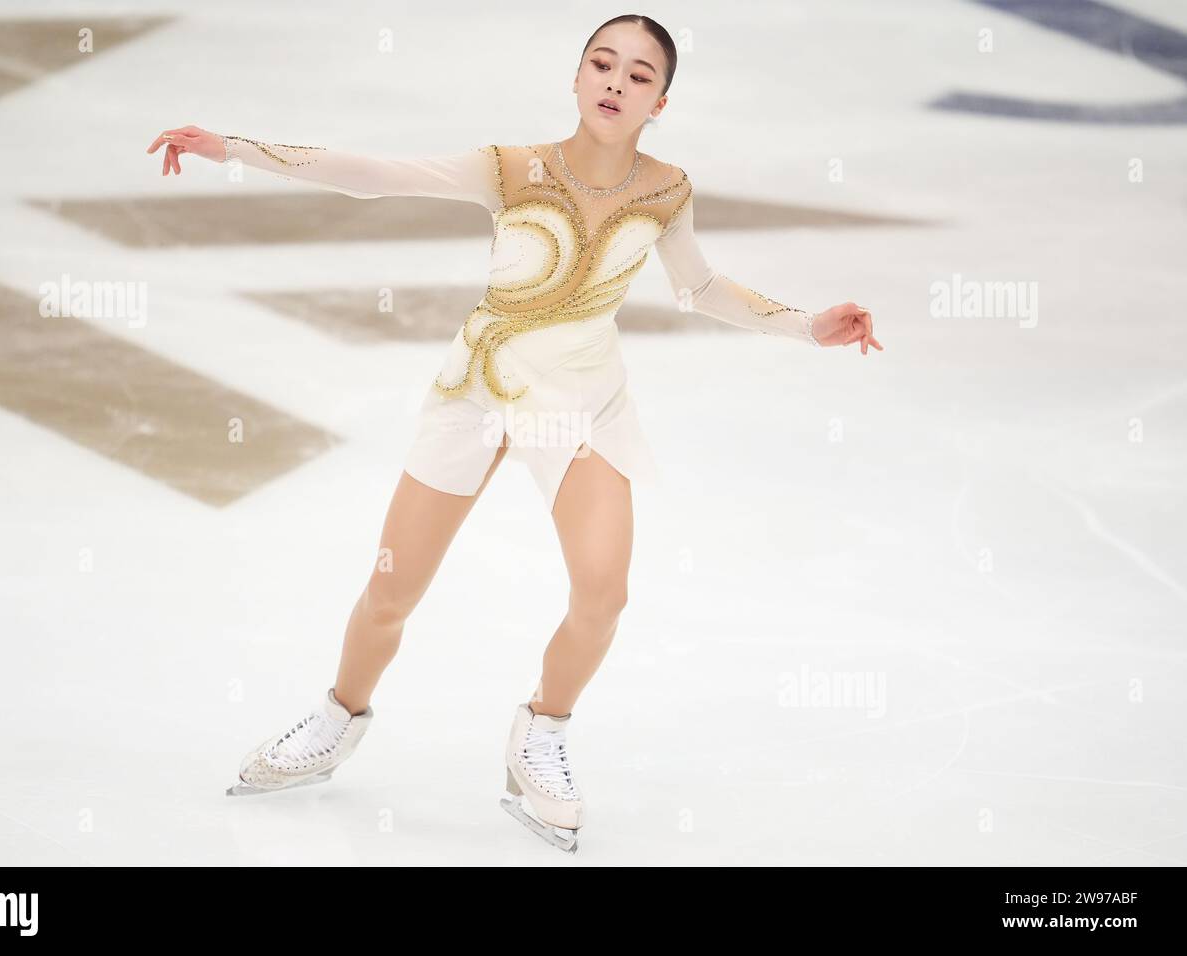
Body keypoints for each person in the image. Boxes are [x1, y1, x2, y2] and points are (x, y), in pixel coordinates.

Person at [148, 13, 882, 853]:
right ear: (575, 79)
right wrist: (231, 147)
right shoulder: (511, 168)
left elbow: (700, 286)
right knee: (391, 591)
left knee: (604, 594)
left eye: (638, 76)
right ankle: (336, 716)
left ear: (660, 102)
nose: (615, 82)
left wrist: (807, 324)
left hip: (580, 401)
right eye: (601, 64)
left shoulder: (666, 190)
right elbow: (375, 174)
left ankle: (542, 729)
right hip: (478, 389)